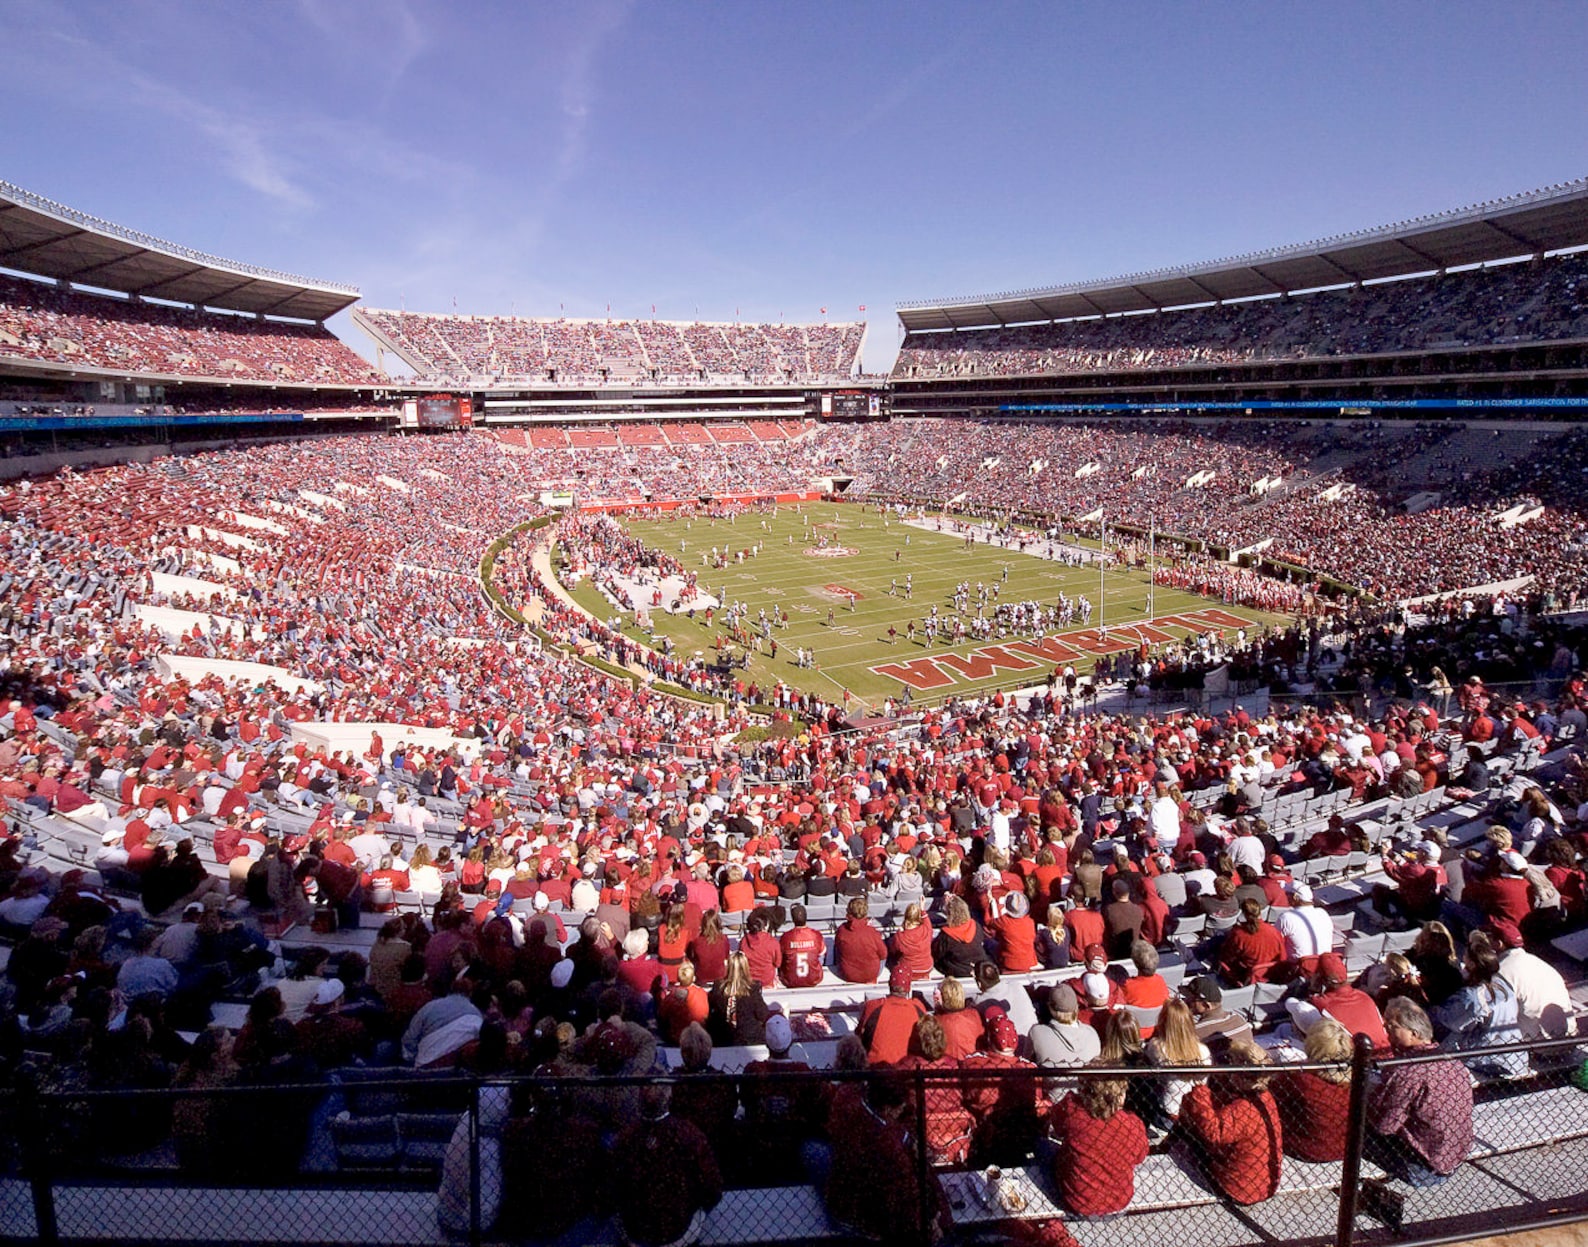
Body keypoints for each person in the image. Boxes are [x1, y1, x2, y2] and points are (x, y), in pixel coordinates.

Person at [824, 1073, 950, 1246]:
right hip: (869, 1219)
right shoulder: (889, 1146)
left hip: (843, 1202)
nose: (901, 1112)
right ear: (887, 1109)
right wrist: (930, 1221)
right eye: (899, 1109)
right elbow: (907, 1197)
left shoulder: (849, 1101)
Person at [1366, 997, 1474, 1186]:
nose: (1387, 1033)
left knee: (1358, 1126)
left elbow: (1385, 1126)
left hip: (1425, 1167)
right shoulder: (1453, 1062)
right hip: (1453, 1155)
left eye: (1392, 1027)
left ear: (1413, 1034)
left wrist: (1370, 1096)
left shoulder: (1407, 1072)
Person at [610, 1083, 724, 1247]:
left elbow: (612, 1189)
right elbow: (712, 1187)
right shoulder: (688, 1133)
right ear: (669, 1097)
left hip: (638, 1231)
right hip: (678, 1230)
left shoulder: (626, 1137)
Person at [1179, 1037, 1283, 1205]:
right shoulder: (1265, 1098)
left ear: (1241, 1074)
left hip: (1238, 1187)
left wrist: (1200, 1092)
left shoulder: (1242, 1109)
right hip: (1261, 1182)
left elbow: (1213, 1133)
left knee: (1192, 1139)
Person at [1048, 1070, 1149, 1217]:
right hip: (1118, 1203)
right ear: (1120, 1097)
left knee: (1042, 1145)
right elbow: (1140, 1156)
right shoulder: (1133, 1124)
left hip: (1076, 1203)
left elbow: (1057, 1126)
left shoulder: (1073, 1109)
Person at [1432, 930, 1526, 1078]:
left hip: (1490, 1059)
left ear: (1472, 964)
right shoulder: (1503, 984)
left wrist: (1433, 1009)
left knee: (1444, 1034)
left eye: (1466, 958)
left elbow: (1452, 1022)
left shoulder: (1474, 996)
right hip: (1515, 1054)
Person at [1275, 1018, 1353, 1163]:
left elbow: (1273, 1092)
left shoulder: (1300, 1078)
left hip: (1308, 1149)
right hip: (1345, 1147)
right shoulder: (1355, 1076)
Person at [1143, 997, 1210, 1128]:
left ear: (1163, 1021)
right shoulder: (1203, 1050)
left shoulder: (1157, 1046)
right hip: (1196, 1111)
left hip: (1166, 1113)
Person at [858, 966, 928, 1065]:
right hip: (909, 1072)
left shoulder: (873, 1006)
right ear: (908, 988)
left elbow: (859, 1036)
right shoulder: (918, 1007)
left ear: (889, 984)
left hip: (877, 1072)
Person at [1029, 982, 1102, 1071]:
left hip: (1051, 1085)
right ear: (1076, 1007)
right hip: (1086, 1084)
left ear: (1050, 1007)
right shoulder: (1092, 1033)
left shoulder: (1037, 1033)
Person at [1216, 898, 1286, 986]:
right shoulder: (1274, 931)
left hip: (1246, 975)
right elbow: (1283, 956)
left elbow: (1228, 956)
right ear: (1260, 912)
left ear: (1243, 914)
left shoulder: (1239, 934)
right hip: (1271, 974)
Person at [706, 951, 768, 1047]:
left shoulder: (718, 989)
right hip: (748, 1039)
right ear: (746, 968)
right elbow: (763, 1015)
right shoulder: (752, 990)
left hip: (723, 1039)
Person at [833, 897, 887, 984]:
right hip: (870, 974)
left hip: (848, 973)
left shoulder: (842, 930)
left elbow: (837, 945)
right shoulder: (872, 932)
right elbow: (883, 954)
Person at [778, 903, 827, 988]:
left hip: (790, 980)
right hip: (813, 979)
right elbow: (822, 953)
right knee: (819, 953)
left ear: (793, 919)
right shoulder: (816, 934)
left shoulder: (786, 936)